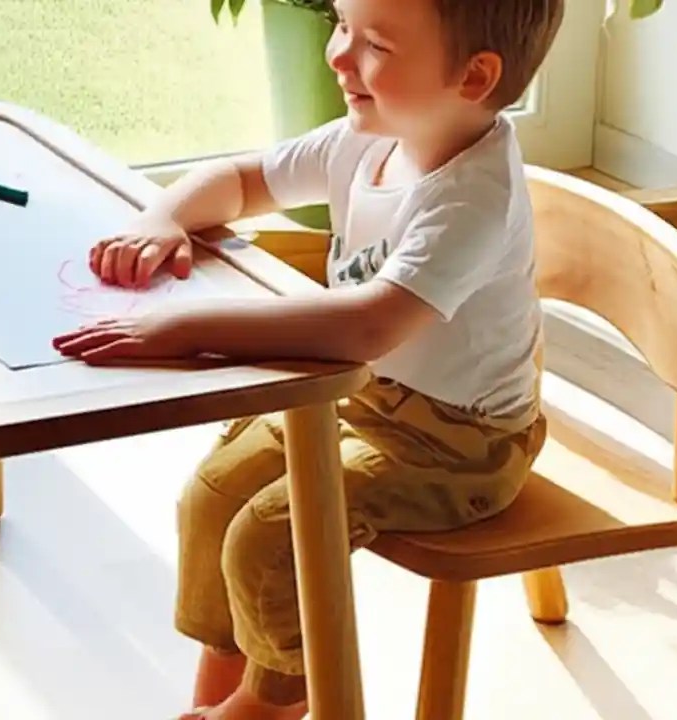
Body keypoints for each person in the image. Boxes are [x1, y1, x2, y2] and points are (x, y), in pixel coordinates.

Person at [52, 0, 562, 717]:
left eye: (374, 43)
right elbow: (241, 179)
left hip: (458, 440)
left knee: (273, 533)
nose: (337, 55)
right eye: (341, 24)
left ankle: (279, 702)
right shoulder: (375, 137)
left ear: (473, 77)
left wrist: (192, 327)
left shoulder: (472, 198)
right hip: (358, 392)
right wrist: (160, 220)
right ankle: (227, 683)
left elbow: (367, 326)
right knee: (214, 494)